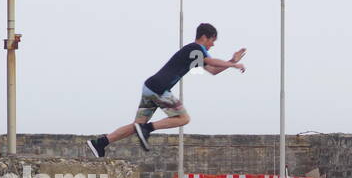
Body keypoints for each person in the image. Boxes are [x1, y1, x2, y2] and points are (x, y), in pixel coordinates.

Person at [86, 24, 245, 158]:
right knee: (183, 118)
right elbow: (211, 61)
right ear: (205, 37)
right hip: (160, 88)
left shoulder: (195, 54)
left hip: (151, 87)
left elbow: (212, 70)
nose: (213, 45)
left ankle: (100, 143)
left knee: (137, 125)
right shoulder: (195, 47)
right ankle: (147, 129)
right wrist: (232, 65)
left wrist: (232, 61)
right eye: (212, 41)